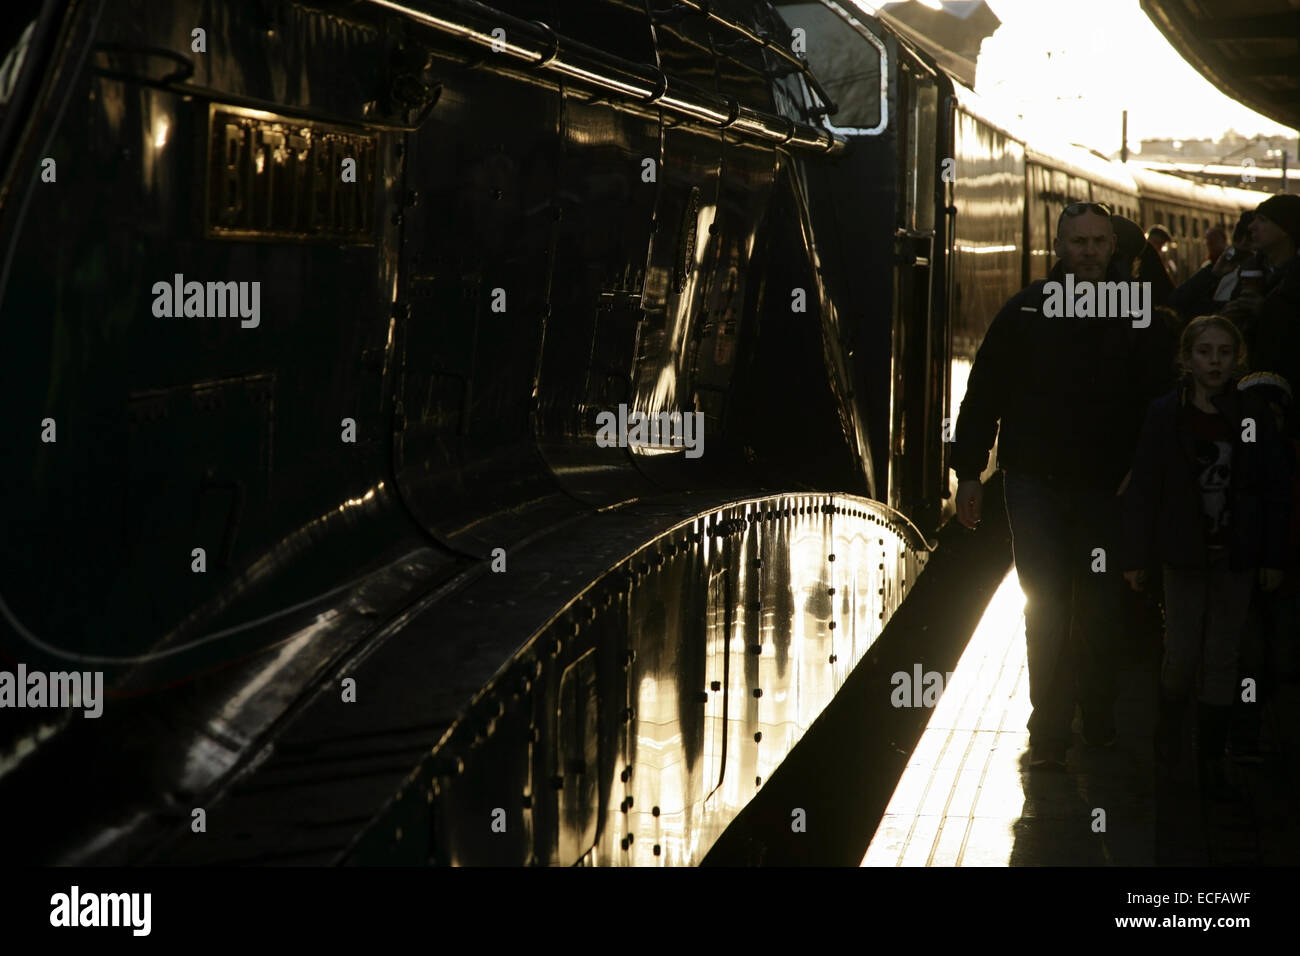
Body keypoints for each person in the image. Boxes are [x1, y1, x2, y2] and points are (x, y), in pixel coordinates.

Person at [950, 201, 1175, 769]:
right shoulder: (1025, 312)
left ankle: (1095, 713)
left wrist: (1142, 473)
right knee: (1046, 605)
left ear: (1113, 247)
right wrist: (968, 473)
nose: (1091, 252)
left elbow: (1160, 403)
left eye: (1100, 242)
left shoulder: (1140, 318)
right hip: (1035, 486)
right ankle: (1050, 728)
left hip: (1108, 490)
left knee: (1098, 605)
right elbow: (985, 392)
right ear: (1060, 246)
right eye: (1080, 242)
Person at [1120, 316, 1291, 801]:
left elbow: (1272, 488)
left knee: (1221, 654)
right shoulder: (1165, 415)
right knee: (1181, 653)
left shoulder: (1250, 417)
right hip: (1183, 555)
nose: (1213, 362)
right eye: (1204, 352)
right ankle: (1172, 745)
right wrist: (1135, 556)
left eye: (1223, 353)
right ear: (1186, 358)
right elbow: (1145, 488)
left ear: (1238, 359)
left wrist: (1271, 556)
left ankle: (1207, 761)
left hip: (1234, 554)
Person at [1173, 211, 1255, 321]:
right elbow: (1177, 303)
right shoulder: (1221, 273)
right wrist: (1212, 274)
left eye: (1252, 237)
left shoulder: (1265, 278)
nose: (1243, 243)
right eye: (1238, 236)